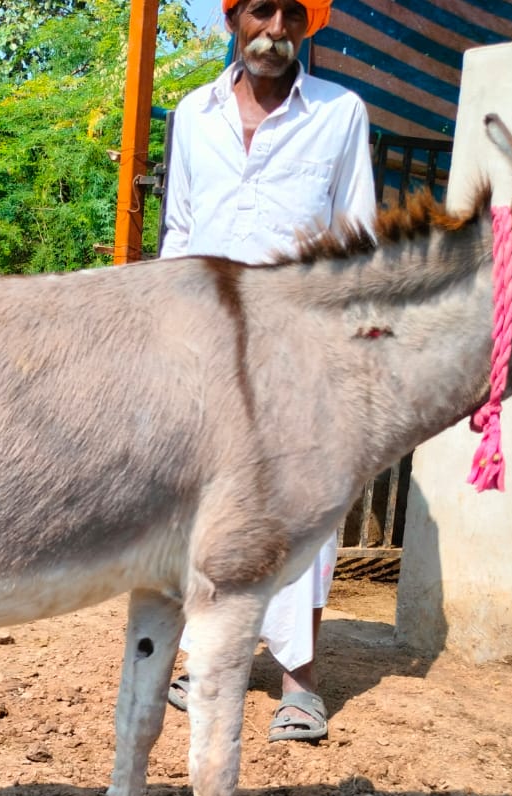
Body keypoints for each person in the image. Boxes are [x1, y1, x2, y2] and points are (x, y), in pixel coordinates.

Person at [159, 0, 377, 743]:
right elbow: (181, 230)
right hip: (210, 345)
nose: (274, 30)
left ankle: (299, 682)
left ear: (307, 25)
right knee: (207, 506)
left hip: (300, 341)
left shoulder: (340, 113)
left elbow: (357, 229)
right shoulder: (194, 114)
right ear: (234, 19)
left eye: (291, 14)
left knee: (302, 508)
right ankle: (208, 659)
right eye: (261, 11)